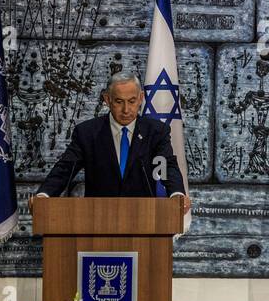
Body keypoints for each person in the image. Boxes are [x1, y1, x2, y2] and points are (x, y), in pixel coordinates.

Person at [34, 71, 190, 211]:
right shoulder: (87, 133)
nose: (126, 109)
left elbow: (166, 166)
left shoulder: (156, 132)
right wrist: (44, 194)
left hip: (144, 217)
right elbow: (66, 168)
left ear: (141, 98)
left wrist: (176, 194)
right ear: (107, 100)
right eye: (119, 101)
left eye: (132, 101)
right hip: (98, 218)